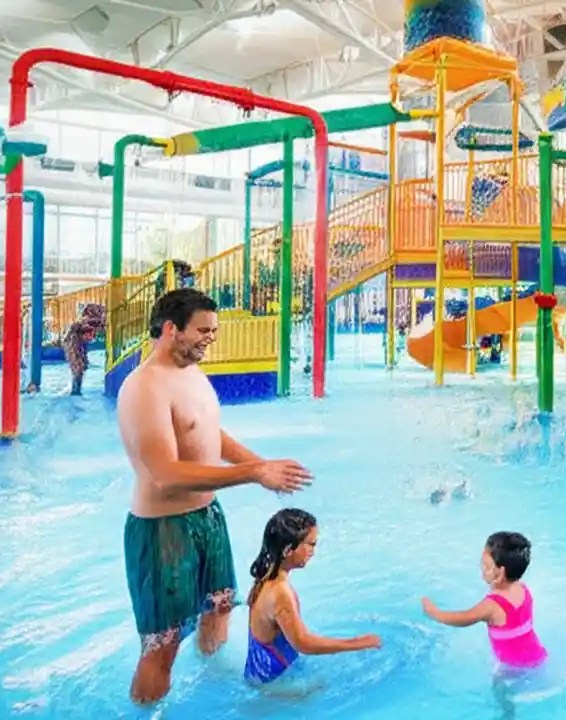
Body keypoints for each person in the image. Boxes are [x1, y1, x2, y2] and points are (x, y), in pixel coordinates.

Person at [116, 288, 313, 704]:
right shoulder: (144, 388)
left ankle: (210, 693)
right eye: (203, 330)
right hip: (162, 532)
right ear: (171, 329)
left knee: (221, 607)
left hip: (208, 519)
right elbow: (165, 475)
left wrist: (263, 465)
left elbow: (208, 436)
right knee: (162, 645)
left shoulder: (192, 374)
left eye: (214, 330)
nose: (211, 338)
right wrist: (255, 473)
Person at [245, 509, 382, 684]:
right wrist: (356, 643)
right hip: (275, 688)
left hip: (258, 676)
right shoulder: (280, 592)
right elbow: (303, 643)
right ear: (288, 550)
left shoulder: (263, 579)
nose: (313, 552)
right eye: (310, 544)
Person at [421, 531, 548, 669]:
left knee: (499, 689)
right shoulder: (522, 589)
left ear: (500, 572)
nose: (482, 569)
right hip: (537, 655)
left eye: (486, 566)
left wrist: (434, 612)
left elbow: (463, 618)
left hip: (512, 668)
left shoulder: (492, 605)